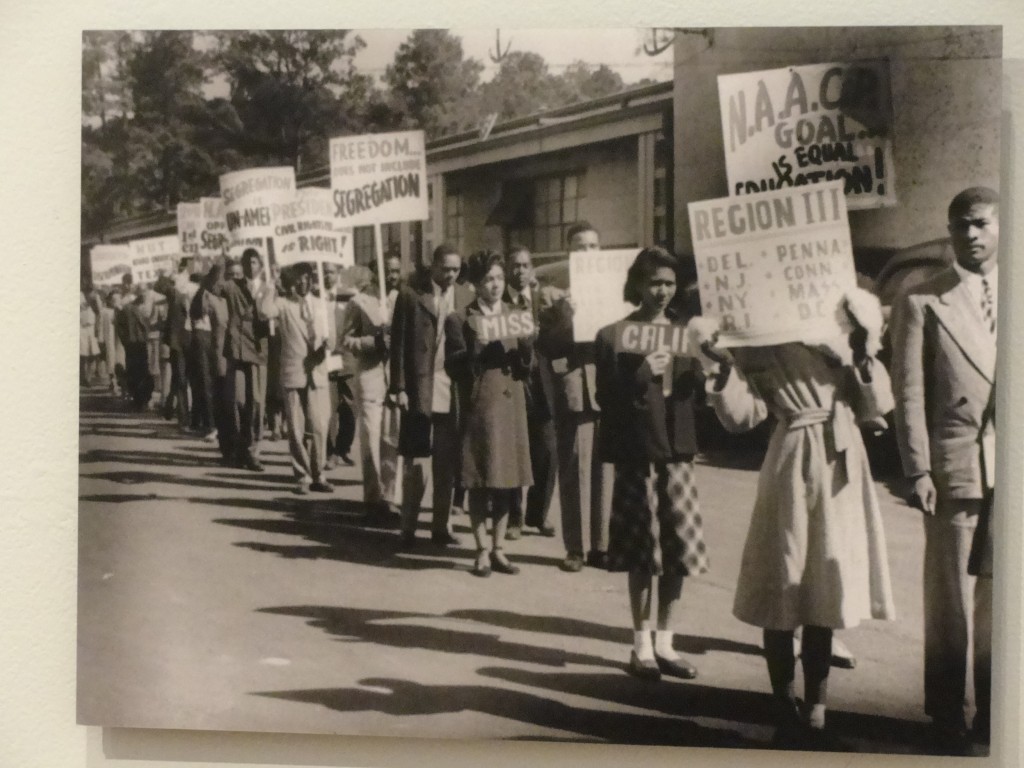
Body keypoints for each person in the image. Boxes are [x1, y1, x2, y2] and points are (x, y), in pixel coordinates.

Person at [692, 288, 897, 747]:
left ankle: (817, 705)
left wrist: (862, 350)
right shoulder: (760, 334)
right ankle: (783, 703)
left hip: (839, 461)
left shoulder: (841, 325)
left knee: (827, 583)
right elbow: (742, 417)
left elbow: (877, 407)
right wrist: (722, 367)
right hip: (790, 461)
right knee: (782, 579)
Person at [890, 186, 998, 750]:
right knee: (950, 597)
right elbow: (908, 392)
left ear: (1001, 227)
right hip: (955, 464)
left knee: (1002, 599)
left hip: (1010, 469)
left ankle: (997, 711)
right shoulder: (921, 299)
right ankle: (948, 711)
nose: (970, 234)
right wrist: (918, 470)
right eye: (960, 225)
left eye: (980, 223)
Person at [595, 247, 707, 681]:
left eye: (669, 283)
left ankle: (666, 642)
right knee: (642, 548)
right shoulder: (614, 335)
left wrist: (710, 365)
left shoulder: (687, 334)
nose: (662, 291)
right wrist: (641, 372)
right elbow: (606, 397)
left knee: (677, 549)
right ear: (638, 284)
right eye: (654, 282)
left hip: (677, 453)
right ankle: (641, 644)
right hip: (638, 453)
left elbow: (696, 395)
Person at [445, 250, 534, 577]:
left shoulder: (517, 314)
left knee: (506, 481)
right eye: (488, 280)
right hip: (481, 404)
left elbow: (527, 368)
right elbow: (453, 367)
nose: (495, 285)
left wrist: (527, 346)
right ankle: (481, 550)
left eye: (499, 278)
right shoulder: (460, 319)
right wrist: (476, 349)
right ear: (475, 284)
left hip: (511, 404)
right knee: (481, 479)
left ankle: (499, 548)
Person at [536, 222, 613, 571]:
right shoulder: (552, 295)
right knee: (573, 467)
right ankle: (576, 548)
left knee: (605, 470)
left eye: (593, 246)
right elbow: (546, 345)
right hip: (575, 389)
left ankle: (602, 544)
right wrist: (570, 314)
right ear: (570, 252)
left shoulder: (615, 289)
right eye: (580, 246)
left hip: (608, 387)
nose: (588, 252)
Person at [389, 244, 473, 549]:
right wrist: (398, 387)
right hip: (419, 388)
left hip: (452, 389)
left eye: (455, 269)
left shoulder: (466, 297)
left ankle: (441, 526)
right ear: (433, 266)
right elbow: (398, 345)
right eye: (445, 268)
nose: (450, 275)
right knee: (416, 463)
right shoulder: (411, 295)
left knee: (446, 463)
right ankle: (408, 528)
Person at [259, 262, 334, 494]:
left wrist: (325, 349)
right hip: (293, 372)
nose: (303, 282)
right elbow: (264, 312)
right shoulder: (283, 304)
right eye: (299, 278)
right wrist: (271, 283)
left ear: (312, 279)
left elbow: (332, 337)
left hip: (317, 372)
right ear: (292, 281)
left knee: (320, 425)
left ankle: (319, 473)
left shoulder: (322, 305)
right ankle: (302, 476)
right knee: (296, 428)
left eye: (307, 278)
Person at [341, 256, 402, 518]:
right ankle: (372, 497)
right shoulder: (359, 302)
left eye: (396, 271)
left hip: (395, 378)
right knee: (371, 437)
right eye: (388, 271)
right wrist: (373, 342)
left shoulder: (402, 299)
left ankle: (390, 495)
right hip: (370, 376)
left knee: (392, 438)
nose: (393, 276)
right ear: (376, 272)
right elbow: (346, 339)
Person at [504, 245, 558, 540]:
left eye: (525, 265)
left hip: (543, 385)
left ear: (532, 269)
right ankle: (514, 516)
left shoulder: (543, 300)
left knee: (547, 451)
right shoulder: (499, 303)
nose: (521, 271)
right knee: (514, 452)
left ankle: (538, 514)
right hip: (512, 383)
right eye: (515, 265)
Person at [216, 247, 273, 471]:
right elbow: (214, 286)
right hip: (237, 350)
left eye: (255, 262)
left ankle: (253, 449)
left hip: (258, 350)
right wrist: (220, 262)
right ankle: (241, 447)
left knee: (257, 402)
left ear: (261, 266)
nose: (251, 266)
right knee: (239, 401)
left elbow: (271, 316)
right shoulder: (233, 286)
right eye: (247, 262)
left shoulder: (269, 289)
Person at [114, 284, 155, 410]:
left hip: (135, 344)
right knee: (139, 371)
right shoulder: (132, 310)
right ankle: (140, 399)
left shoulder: (132, 309)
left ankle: (139, 399)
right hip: (136, 345)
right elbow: (120, 327)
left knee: (136, 371)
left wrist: (125, 340)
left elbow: (119, 327)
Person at [79, 292, 101, 386]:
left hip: (91, 332)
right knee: (83, 356)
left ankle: (88, 378)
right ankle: (82, 378)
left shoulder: (94, 309)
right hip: (82, 331)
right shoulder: (81, 306)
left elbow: (98, 317)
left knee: (92, 356)